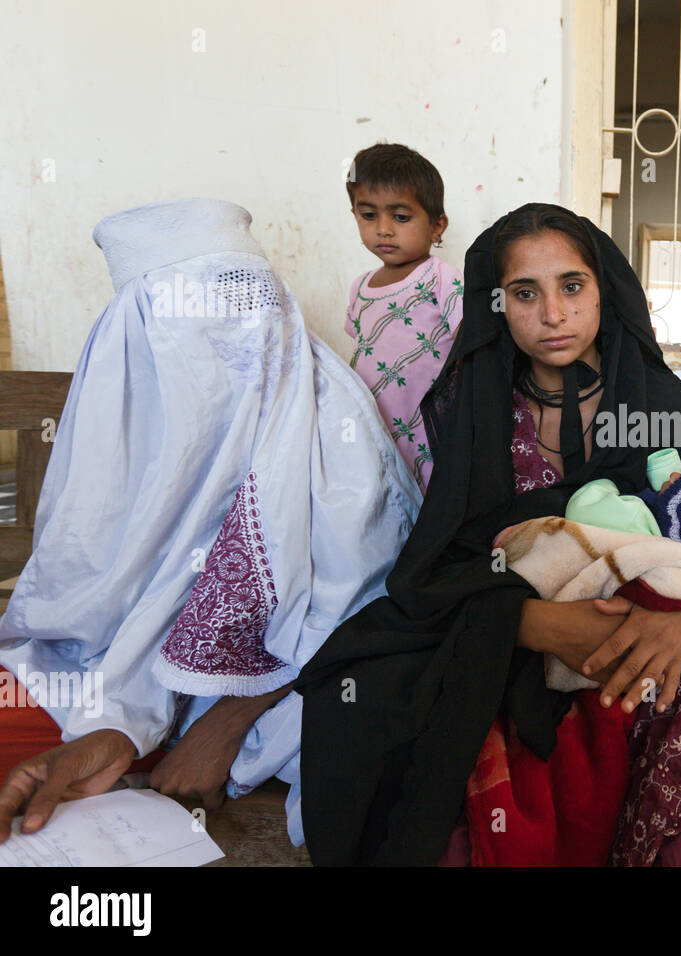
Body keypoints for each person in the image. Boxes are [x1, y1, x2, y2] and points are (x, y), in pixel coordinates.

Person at [295, 203, 681, 867]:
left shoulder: (649, 404)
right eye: (524, 293)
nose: (553, 314)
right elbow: (443, 567)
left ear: (603, 291)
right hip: (526, 645)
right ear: (497, 304)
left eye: (572, 287)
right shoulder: (484, 410)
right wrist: (530, 623)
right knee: (357, 679)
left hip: (661, 643)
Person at [0, 198, 421, 846]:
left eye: (249, 298)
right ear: (142, 337)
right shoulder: (129, 419)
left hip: (283, 694)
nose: (243, 327)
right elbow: (104, 618)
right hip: (120, 697)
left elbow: (376, 611)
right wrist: (117, 725)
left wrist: (223, 722)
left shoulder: (334, 425)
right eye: (206, 308)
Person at [345, 143, 464, 493]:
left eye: (400, 217)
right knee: (383, 497)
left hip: (430, 428)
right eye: (368, 215)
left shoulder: (441, 277)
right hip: (375, 427)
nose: (383, 229)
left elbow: (469, 346)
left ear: (437, 226)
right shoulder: (360, 288)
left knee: (430, 500)